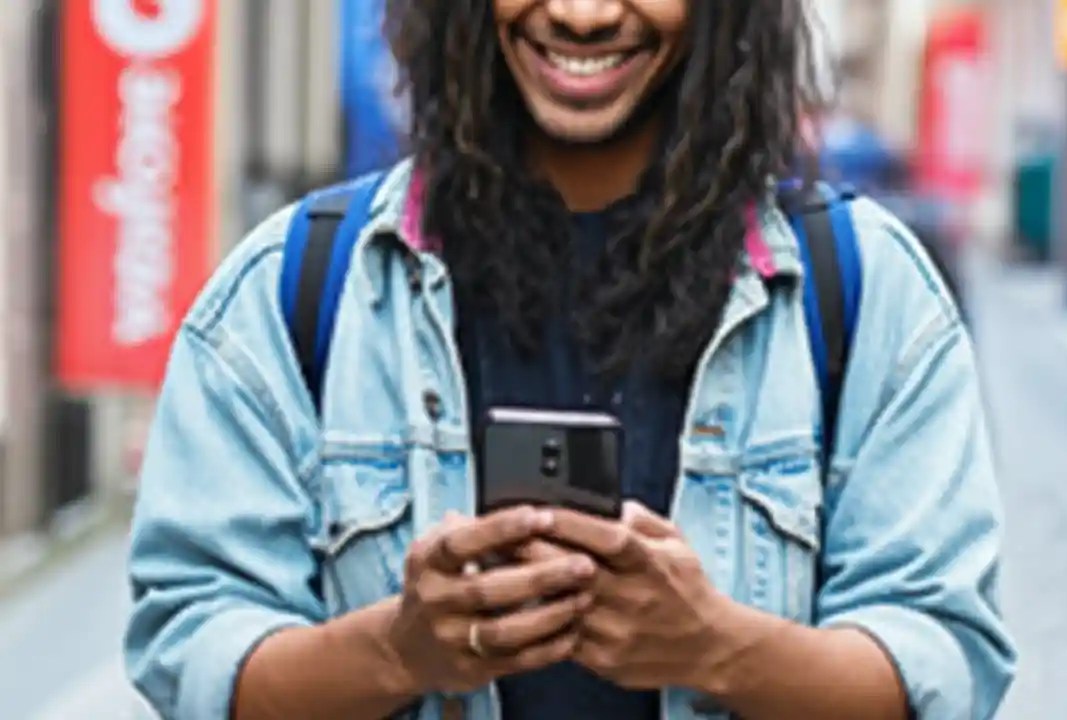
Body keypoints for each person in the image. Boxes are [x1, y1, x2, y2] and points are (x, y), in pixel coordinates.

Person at [125, 1, 1016, 719]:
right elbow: (192, 652)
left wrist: (715, 647)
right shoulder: (291, 291)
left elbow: (944, 666)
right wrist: (400, 651)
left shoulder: (865, 294)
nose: (585, 15)